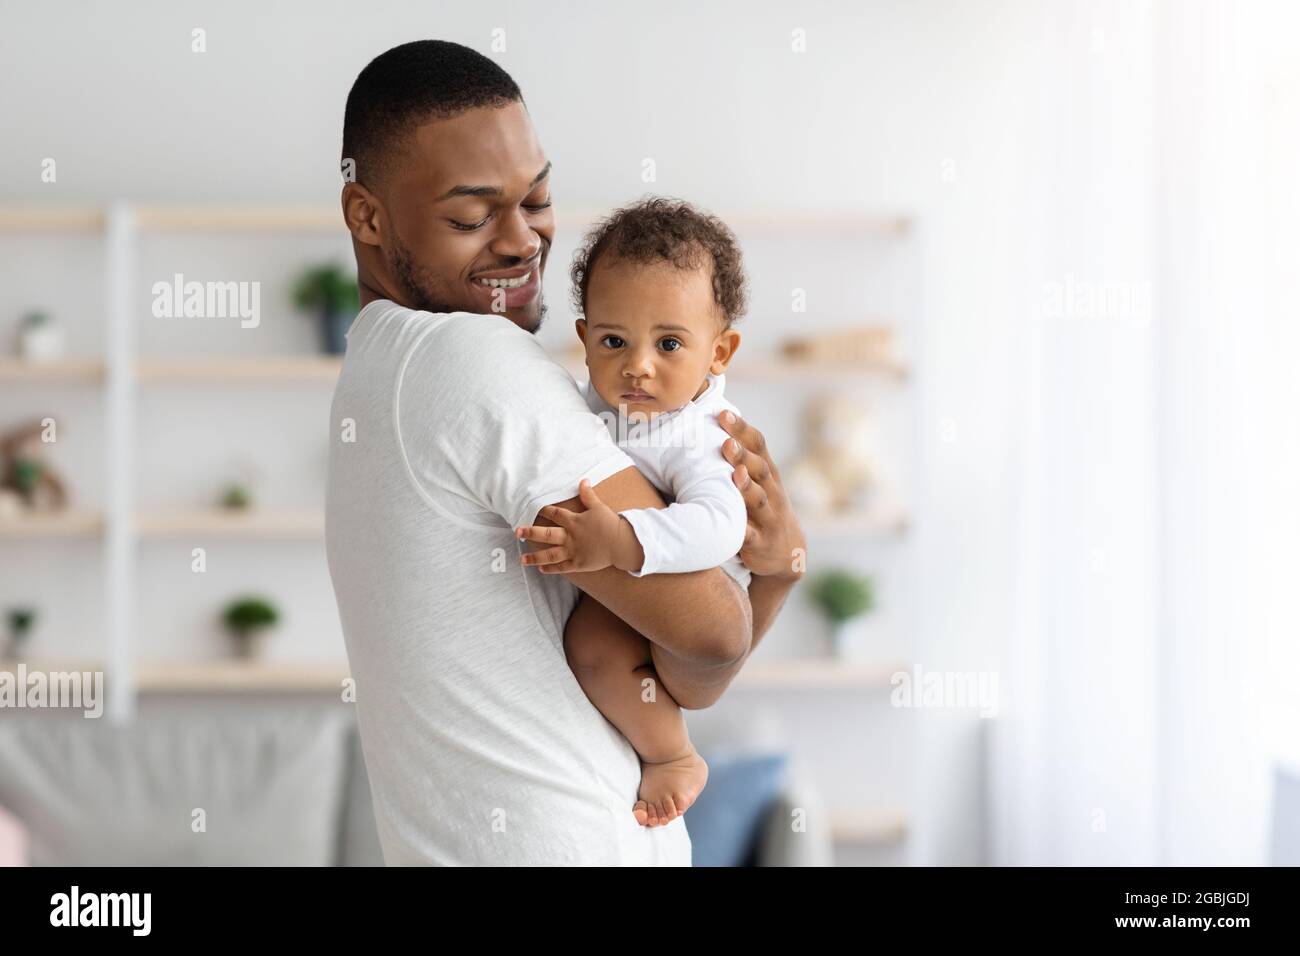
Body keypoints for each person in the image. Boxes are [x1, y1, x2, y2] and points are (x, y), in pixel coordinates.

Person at [325, 39, 805, 866]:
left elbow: (680, 673)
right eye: (471, 216)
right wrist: (770, 572)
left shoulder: (377, 370)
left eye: (537, 198)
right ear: (366, 215)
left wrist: (774, 576)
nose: (520, 241)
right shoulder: (470, 361)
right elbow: (715, 634)